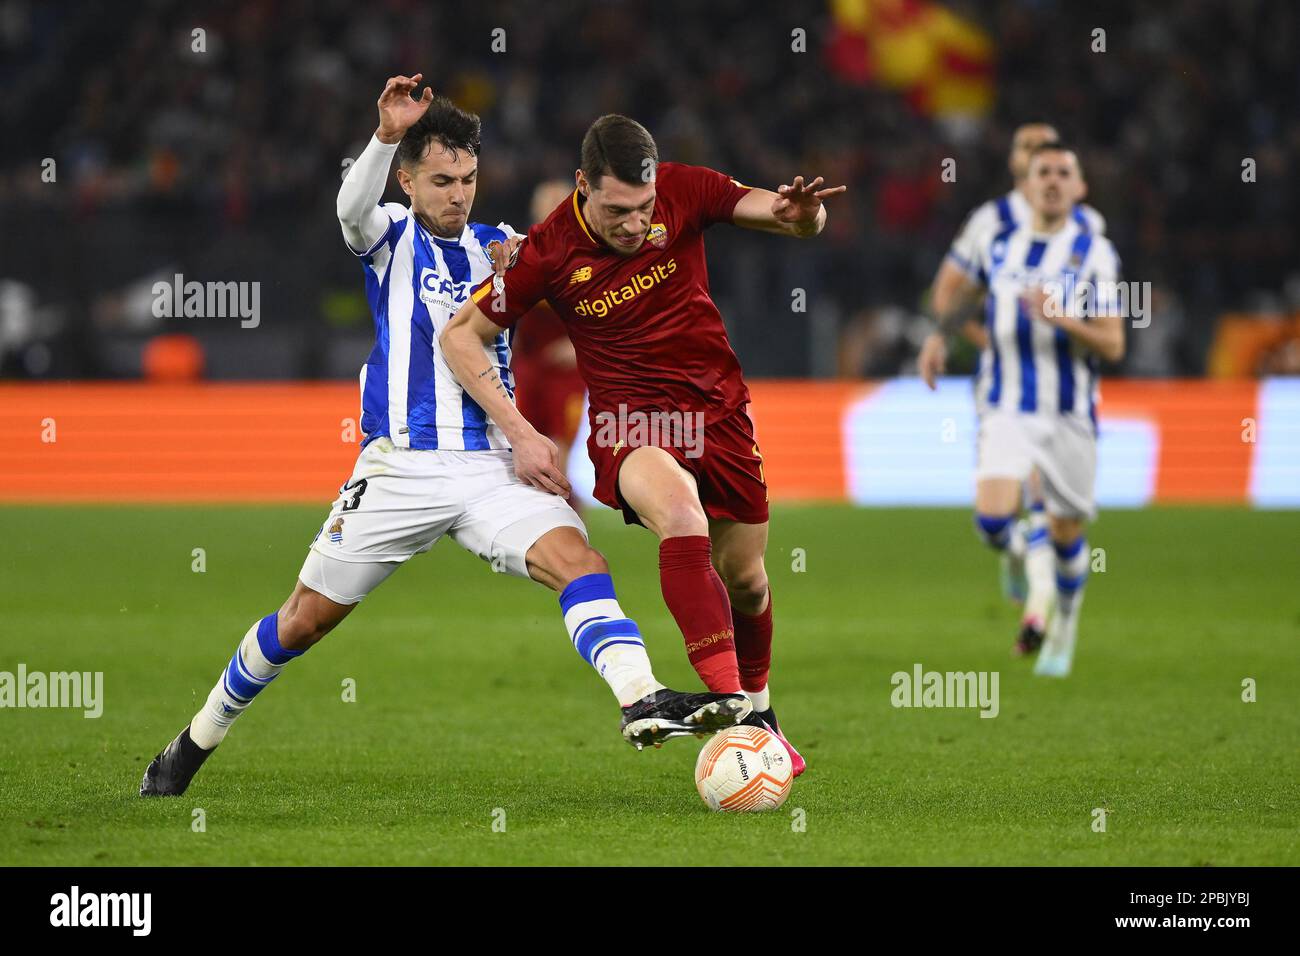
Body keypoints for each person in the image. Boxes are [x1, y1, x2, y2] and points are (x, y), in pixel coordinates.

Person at [140, 77, 748, 798]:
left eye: (467, 179)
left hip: (492, 466)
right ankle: (195, 739)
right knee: (302, 622)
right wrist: (385, 133)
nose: (457, 194)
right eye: (440, 180)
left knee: (579, 562)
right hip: (401, 467)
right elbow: (349, 208)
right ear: (408, 180)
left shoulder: (504, 251)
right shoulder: (388, 236)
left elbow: (587, 266)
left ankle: (641, 697)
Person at [441, 114, 845, 774]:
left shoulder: (686, 189)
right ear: (583, 186)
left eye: (644, 208)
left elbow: (789, 217)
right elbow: (460, 335)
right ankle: (734, 710)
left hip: (719, 411)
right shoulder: (547, 251)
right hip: (631, 424)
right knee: (680, 516)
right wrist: (519, 430)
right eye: (618, 210)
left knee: (746, 577)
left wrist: (803, 218)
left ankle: (761, 712)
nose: (634, 224)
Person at [921, 142, 1123, 676]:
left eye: (1064, 172)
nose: (1053, 180)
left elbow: (1113, 345)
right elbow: (958, 298)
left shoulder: (1094, 252)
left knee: (1065, 534)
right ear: (1027, 187)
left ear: (1079, 188)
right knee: (991, 518)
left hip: (1069, 412)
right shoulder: (1001, 244)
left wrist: (1064, 321)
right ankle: (1018, 557)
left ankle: (1066, 622)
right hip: (1005, 404)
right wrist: (939, 337)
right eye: (1043, 173)